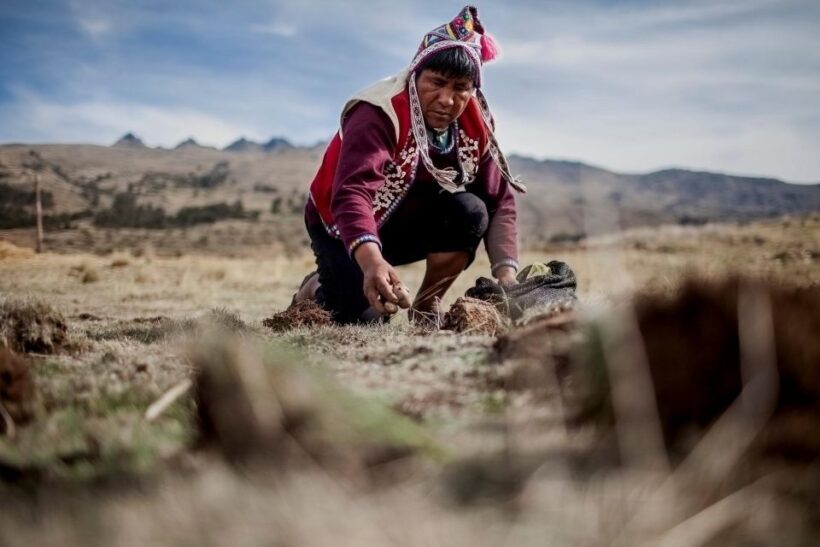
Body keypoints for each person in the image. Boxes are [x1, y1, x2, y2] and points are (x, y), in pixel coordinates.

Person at [296, 5, 526, 324]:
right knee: (363, 321)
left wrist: (507, 278)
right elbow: (351, 195)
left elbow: (500, 200)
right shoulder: (379, 112)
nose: (447, 99)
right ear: (416, 74)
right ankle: (317, 285)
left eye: (461, 88)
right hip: (342, 222)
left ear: (473, 91)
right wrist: (373, 262)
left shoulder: (476, 124)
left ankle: (426, 305)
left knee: (471, 210)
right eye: (437, 82)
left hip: (403, 221)